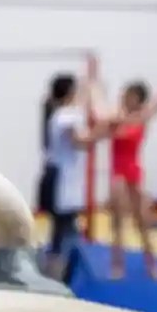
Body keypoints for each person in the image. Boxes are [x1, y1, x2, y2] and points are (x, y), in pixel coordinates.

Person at [90, 77, 157, 281]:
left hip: (133, 172)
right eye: (124, 95)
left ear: (138, 99)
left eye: (129, 96)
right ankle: (117, 266)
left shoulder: (141, 118)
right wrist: (94, 86)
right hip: (118, 172)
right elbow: (98, 109)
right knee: (117, 221)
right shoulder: (115, 118)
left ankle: (152, 264)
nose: (124, 98)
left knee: (142, 221)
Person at [39, 72, 105, 280]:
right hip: (62, 182)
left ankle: (58, 273)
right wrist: (103, 130)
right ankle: (54, 276)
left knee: (64, 230)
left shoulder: (60, 113)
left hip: (57, 177)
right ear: (70, 93)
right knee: (64, 232)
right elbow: (80, 141)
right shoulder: (66, 115)